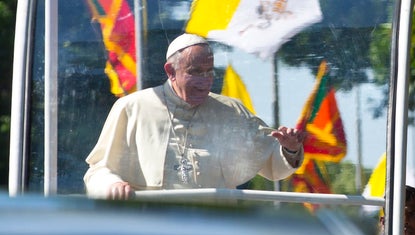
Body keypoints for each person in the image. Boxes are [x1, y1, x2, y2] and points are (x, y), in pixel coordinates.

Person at [84, 34, 306, 200]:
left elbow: (271, 162)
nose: (205, 81)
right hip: (150, 229)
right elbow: (98, 171)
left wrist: (289, 149)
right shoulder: (132, 108)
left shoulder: (231, 111)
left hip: (212, 230)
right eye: (195, 72)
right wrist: (112, 185)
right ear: (171, 71)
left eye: (209, 72)